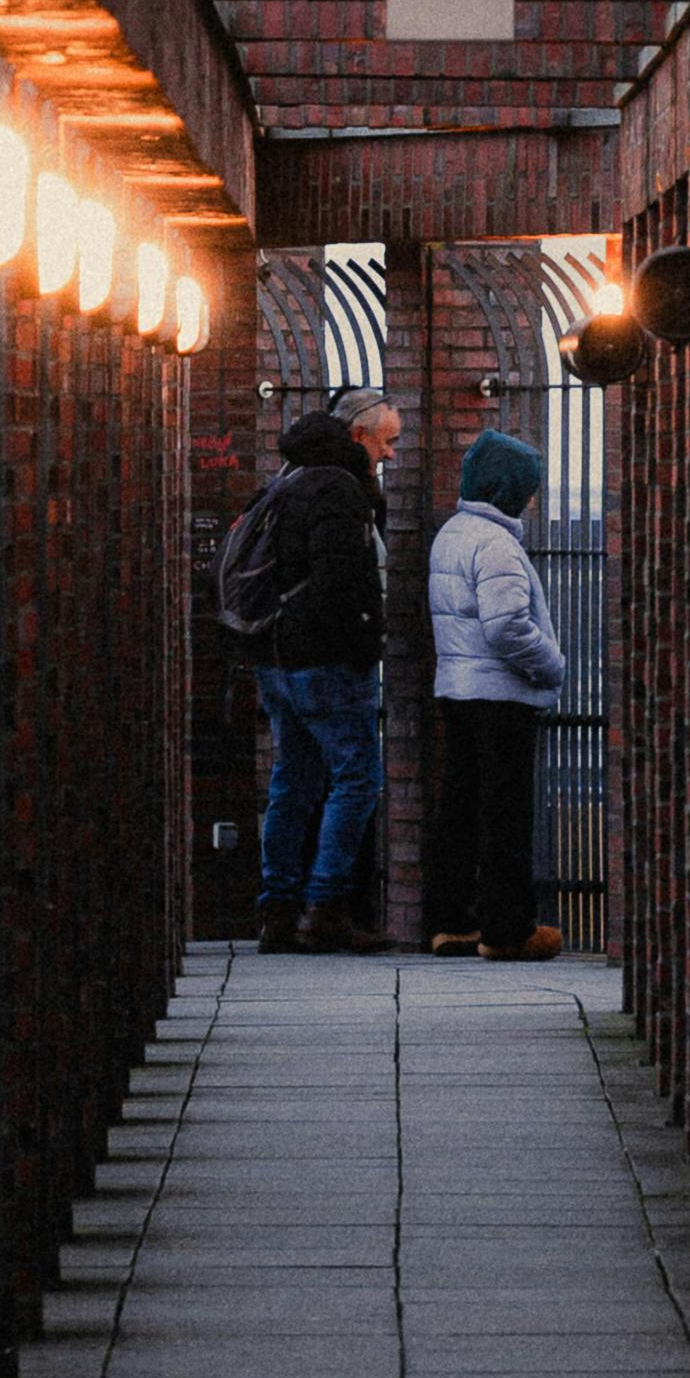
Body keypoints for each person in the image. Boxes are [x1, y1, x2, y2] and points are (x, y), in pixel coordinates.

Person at [247, 394, 395, 952]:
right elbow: (338, 581)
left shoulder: (288, 479)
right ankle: (325, 906)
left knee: (295, 778)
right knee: (357, 779)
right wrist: (363, 642)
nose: (389, 454)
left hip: (277, 659)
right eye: (386, 441)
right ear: (358, 436)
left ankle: (278, 911)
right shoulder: (337, 488)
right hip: (325, 662)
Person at [424, 429, 567, 960]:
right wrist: (553, 666)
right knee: (506, 815)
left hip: (457, 690)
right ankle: (507, 929)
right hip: (500, 696)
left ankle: (450, 921)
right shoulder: (497, 543)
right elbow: (508, 627)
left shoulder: (453, 533)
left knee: (459, 808)